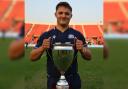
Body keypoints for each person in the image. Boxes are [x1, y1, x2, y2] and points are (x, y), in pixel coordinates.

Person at [30, 2, 91, 89]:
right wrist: (42, 48)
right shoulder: (46, 35)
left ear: (71, 16)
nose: (63, 16)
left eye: (67, 13)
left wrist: (82, 50)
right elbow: (32, 57)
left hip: (73, 79)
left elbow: (89, 57)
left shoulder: (78, 35)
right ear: (55, 14)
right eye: (60, 13)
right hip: (53, 80)